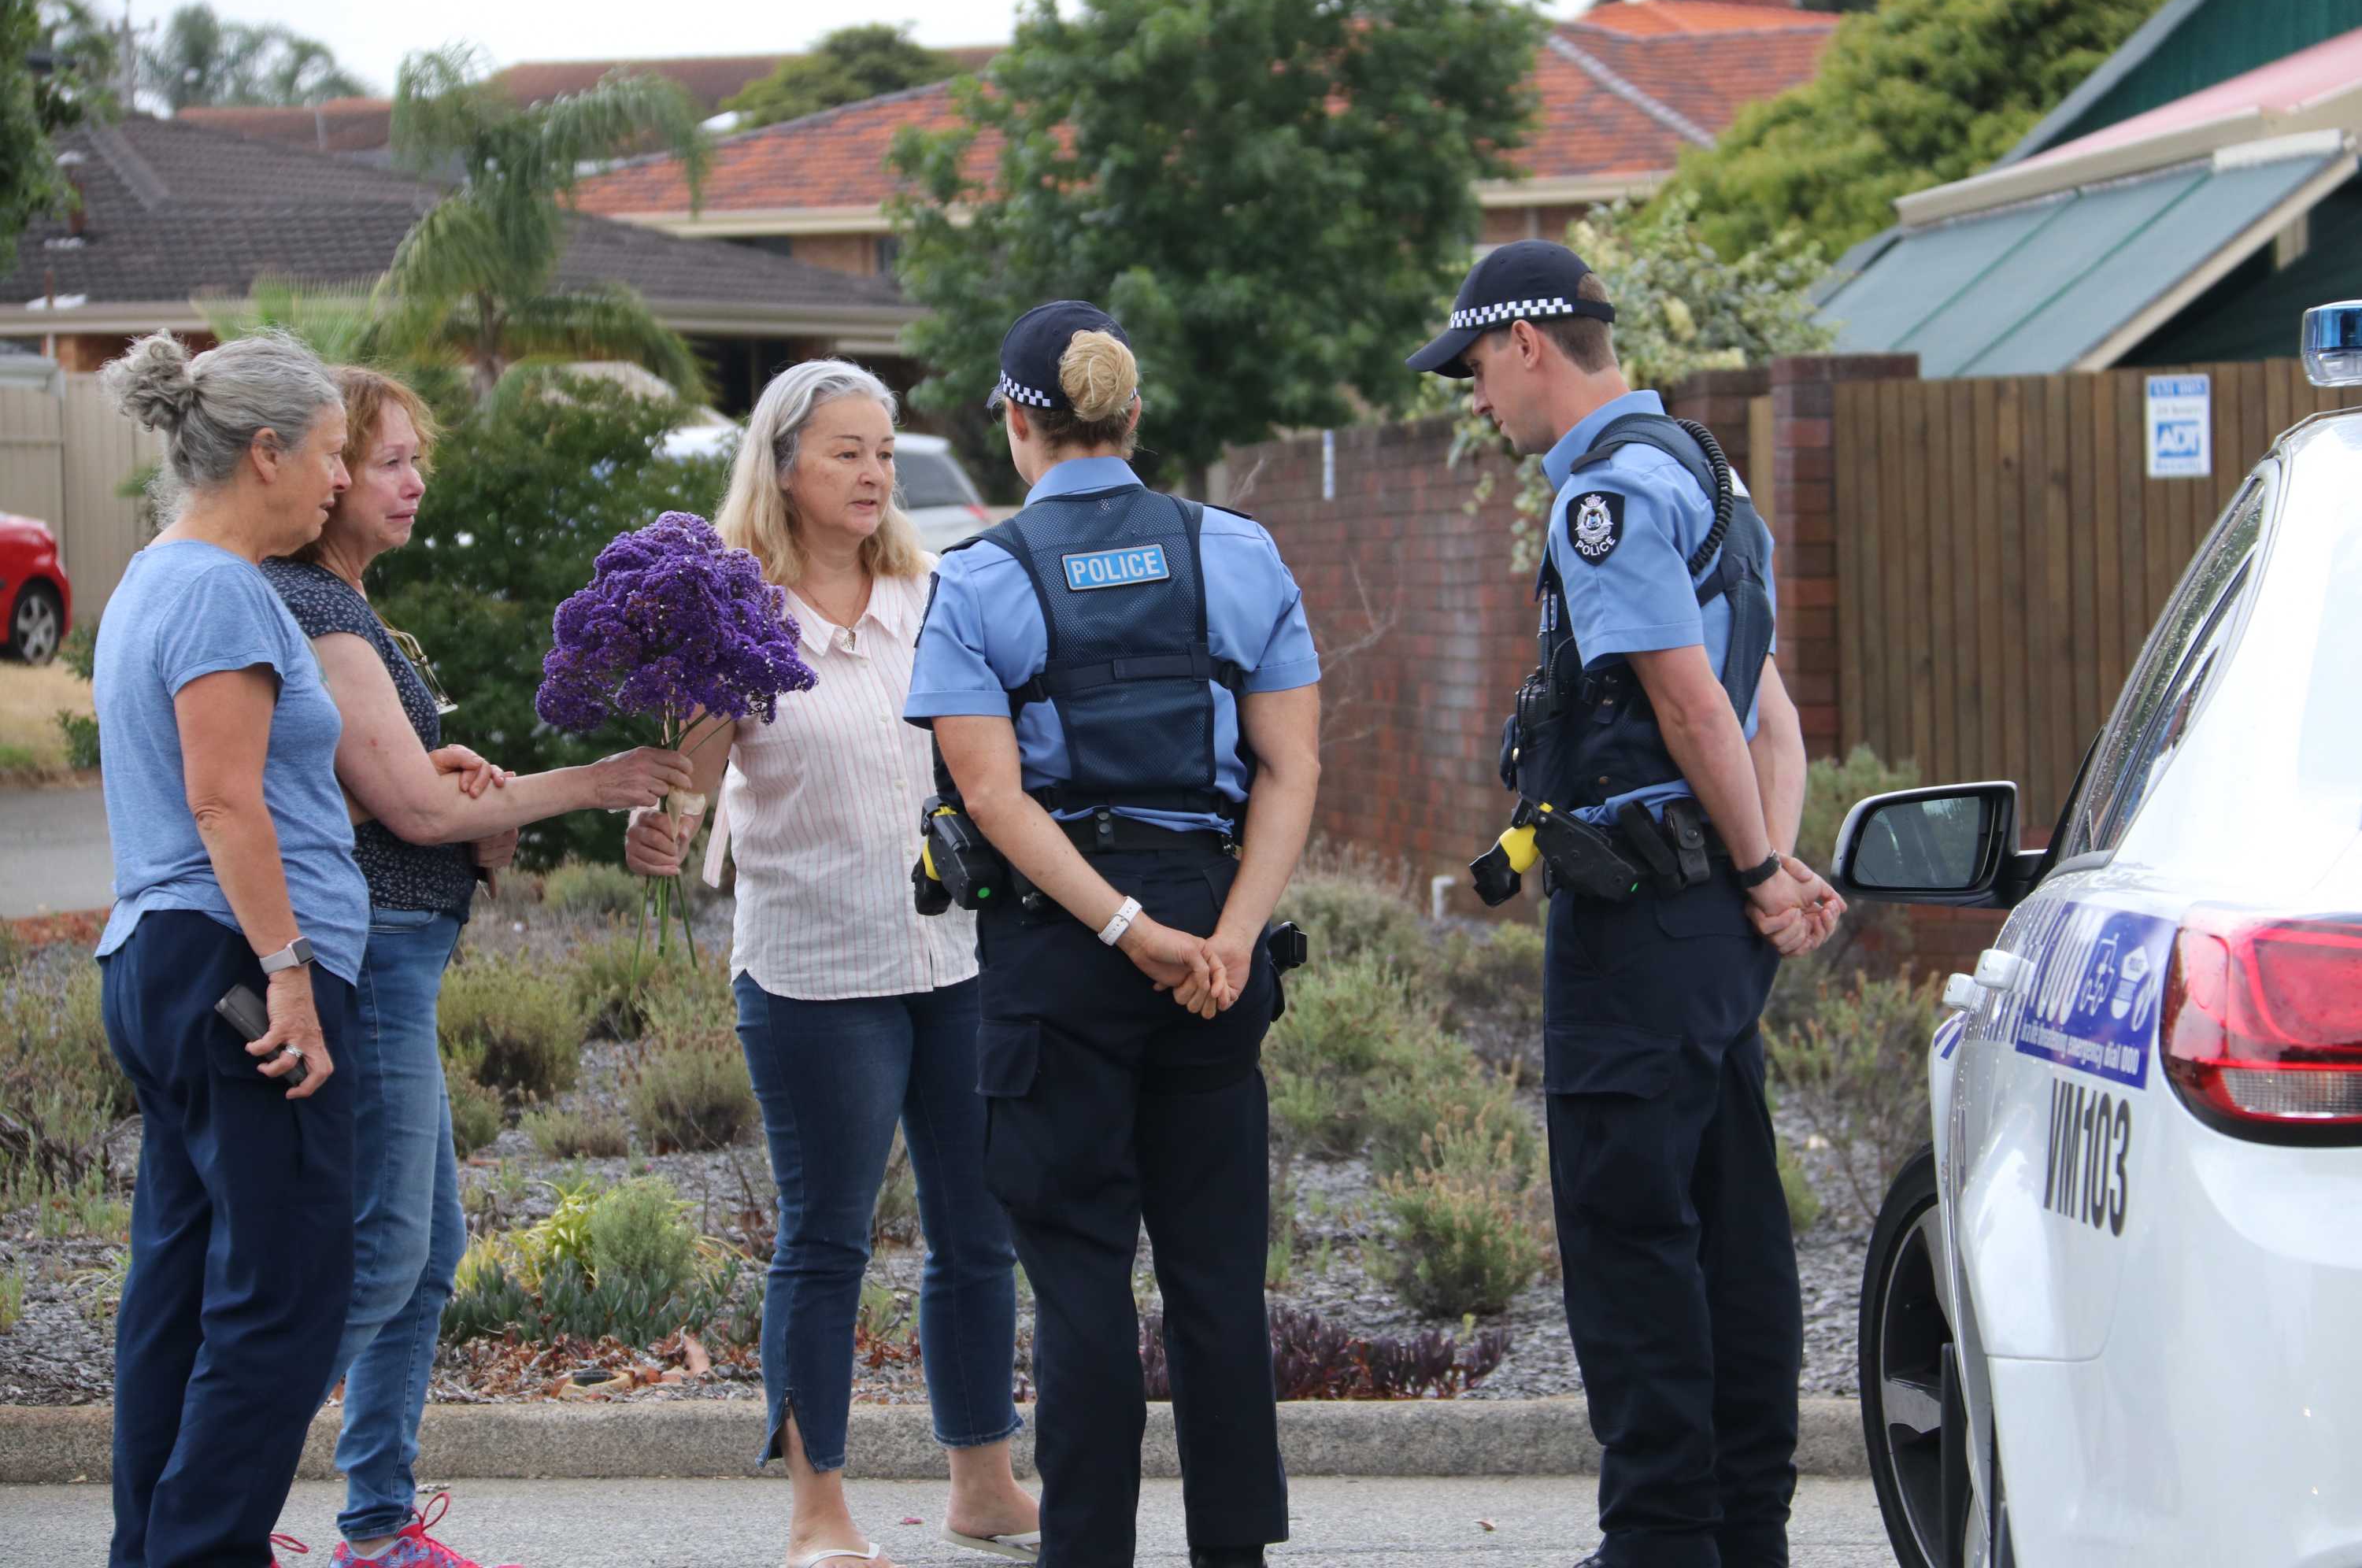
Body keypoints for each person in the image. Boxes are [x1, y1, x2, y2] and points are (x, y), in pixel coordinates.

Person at [1407, 240, 1844, 1568]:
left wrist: (1765, 871)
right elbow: (1777, 722)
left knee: (1629, 1235)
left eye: (1477, 365)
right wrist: (1764, 873)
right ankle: (1742, 1532)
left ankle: (1659, 1540)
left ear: (1530, 344)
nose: (1476, 395)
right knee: (1735, 1231)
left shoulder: (1601, 497)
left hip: (1639, 932)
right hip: (1709, 931)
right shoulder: (1709, 474)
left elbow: (1689, 700)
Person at [904, 301, 1323, 1568]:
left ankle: (1085, 1552)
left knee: (1079, 1279)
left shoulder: (979, 578)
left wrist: (1123, 926)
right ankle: (1234, 1552)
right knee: (1214, 1281)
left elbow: (989, 794)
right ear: (1133, 419)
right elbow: (1292, 768)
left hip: (1060, 953)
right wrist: (1232, 935)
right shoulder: (1239, 551)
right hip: (1215, 939)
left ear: (1021, 427)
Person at [257, 366, 694, 1568]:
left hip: (407, 954)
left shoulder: (356, 612)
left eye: (413, 461)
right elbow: (406, 811)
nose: (410, 482)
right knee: (390, 1248)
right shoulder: (315, 609)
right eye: (387, 460)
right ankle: (217, 1492)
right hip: (377, 961)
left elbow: (399, 789)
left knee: (428, 1251)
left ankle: (379, 1526)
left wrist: (475, 792)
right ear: (330, 473)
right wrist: (599, 784)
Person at [624, 359, 1038, 1568]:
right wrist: (657, 826)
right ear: (786, 465)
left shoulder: (935, 592)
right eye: (848, 450)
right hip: (814, 975)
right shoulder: (734, 617)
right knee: (827, 1240)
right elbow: (686, 792)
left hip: (957, 956)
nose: (875, 471)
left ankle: (984, 1486)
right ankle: (819, 1512)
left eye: (885, 448)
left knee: (979, 1231)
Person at [90, 330, 363, 1568]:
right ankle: (201, 1551)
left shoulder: (159, 573)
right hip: (233, 969)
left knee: (187, 1286)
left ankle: (155, 1544)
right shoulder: (215, 586)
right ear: (265, 452)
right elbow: (224, 802)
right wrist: (292, 976)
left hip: (170, 962)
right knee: (288, 1293)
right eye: (331, 454)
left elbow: (247, 788)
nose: (341, 482)